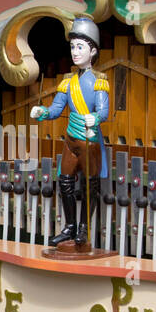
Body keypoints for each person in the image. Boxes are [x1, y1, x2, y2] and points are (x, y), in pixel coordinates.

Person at [30, 16, 111, 246]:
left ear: (93, 51)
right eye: (73, 47)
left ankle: (84, 228)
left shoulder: (99, 81)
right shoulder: (67, 82)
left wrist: (92, 117)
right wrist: (43, 112)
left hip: (90, 140)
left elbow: (103, 112)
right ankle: (69, 226)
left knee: (89, 185)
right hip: (71, 140)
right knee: (65, 182)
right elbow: (57, 108)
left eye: (80, 47)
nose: (75, 52)